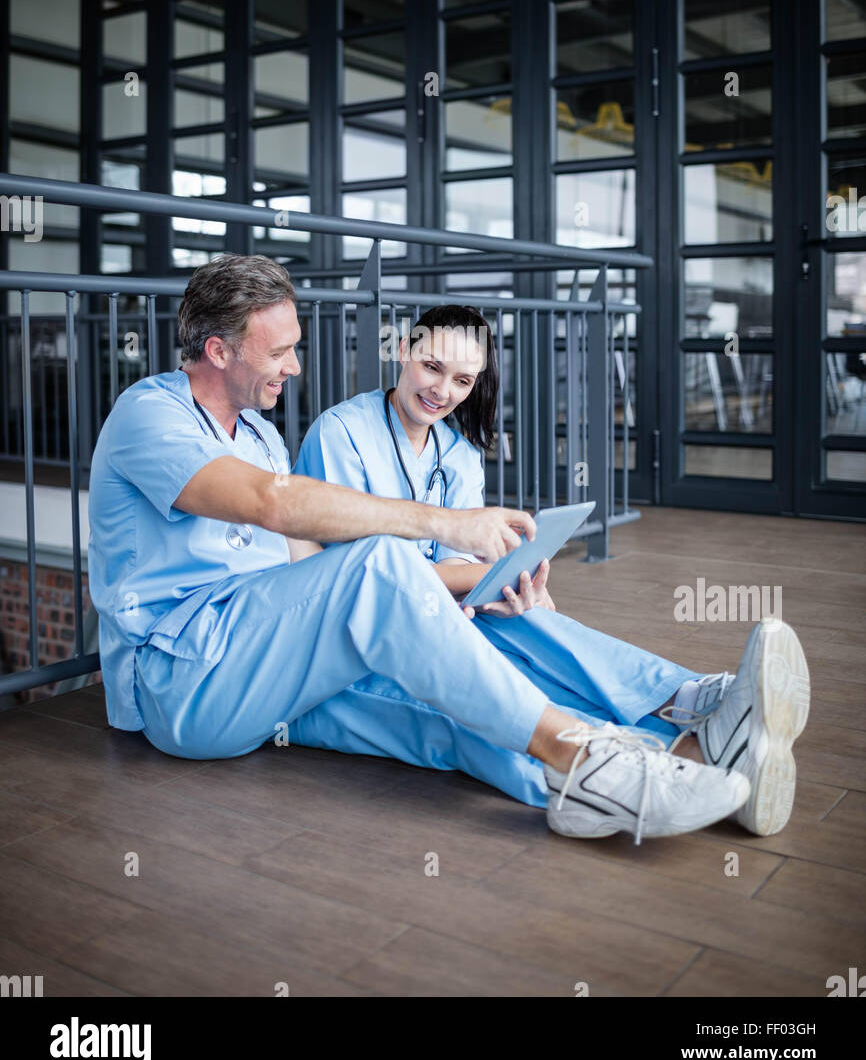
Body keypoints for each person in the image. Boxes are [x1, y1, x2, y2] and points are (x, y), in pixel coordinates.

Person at [84, 256, 795, 848]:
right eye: (280, 352)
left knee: (450, 685)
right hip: (181, 678)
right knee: (385, 569)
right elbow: (273, 505)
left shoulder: (262, 436)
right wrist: (448, 529)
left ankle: (676, 752)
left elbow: (302, 569)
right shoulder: (151, 414)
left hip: (266, 660)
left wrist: (463, 590)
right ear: (218, 351)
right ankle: (583, 752)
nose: (296, 366)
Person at [291, 303, 810, 837]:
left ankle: (699, 711)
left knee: (527, 620)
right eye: (431, 367)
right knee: (490, 695)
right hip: (358, 632)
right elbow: (359, 577)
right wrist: (484, 578)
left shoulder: (458, 450)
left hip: (433, 610)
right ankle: (681, 760)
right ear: (402, 351)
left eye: (462, 379)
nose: (442, 391)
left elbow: (452, 564)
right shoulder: (342, 433)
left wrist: (506, 586)